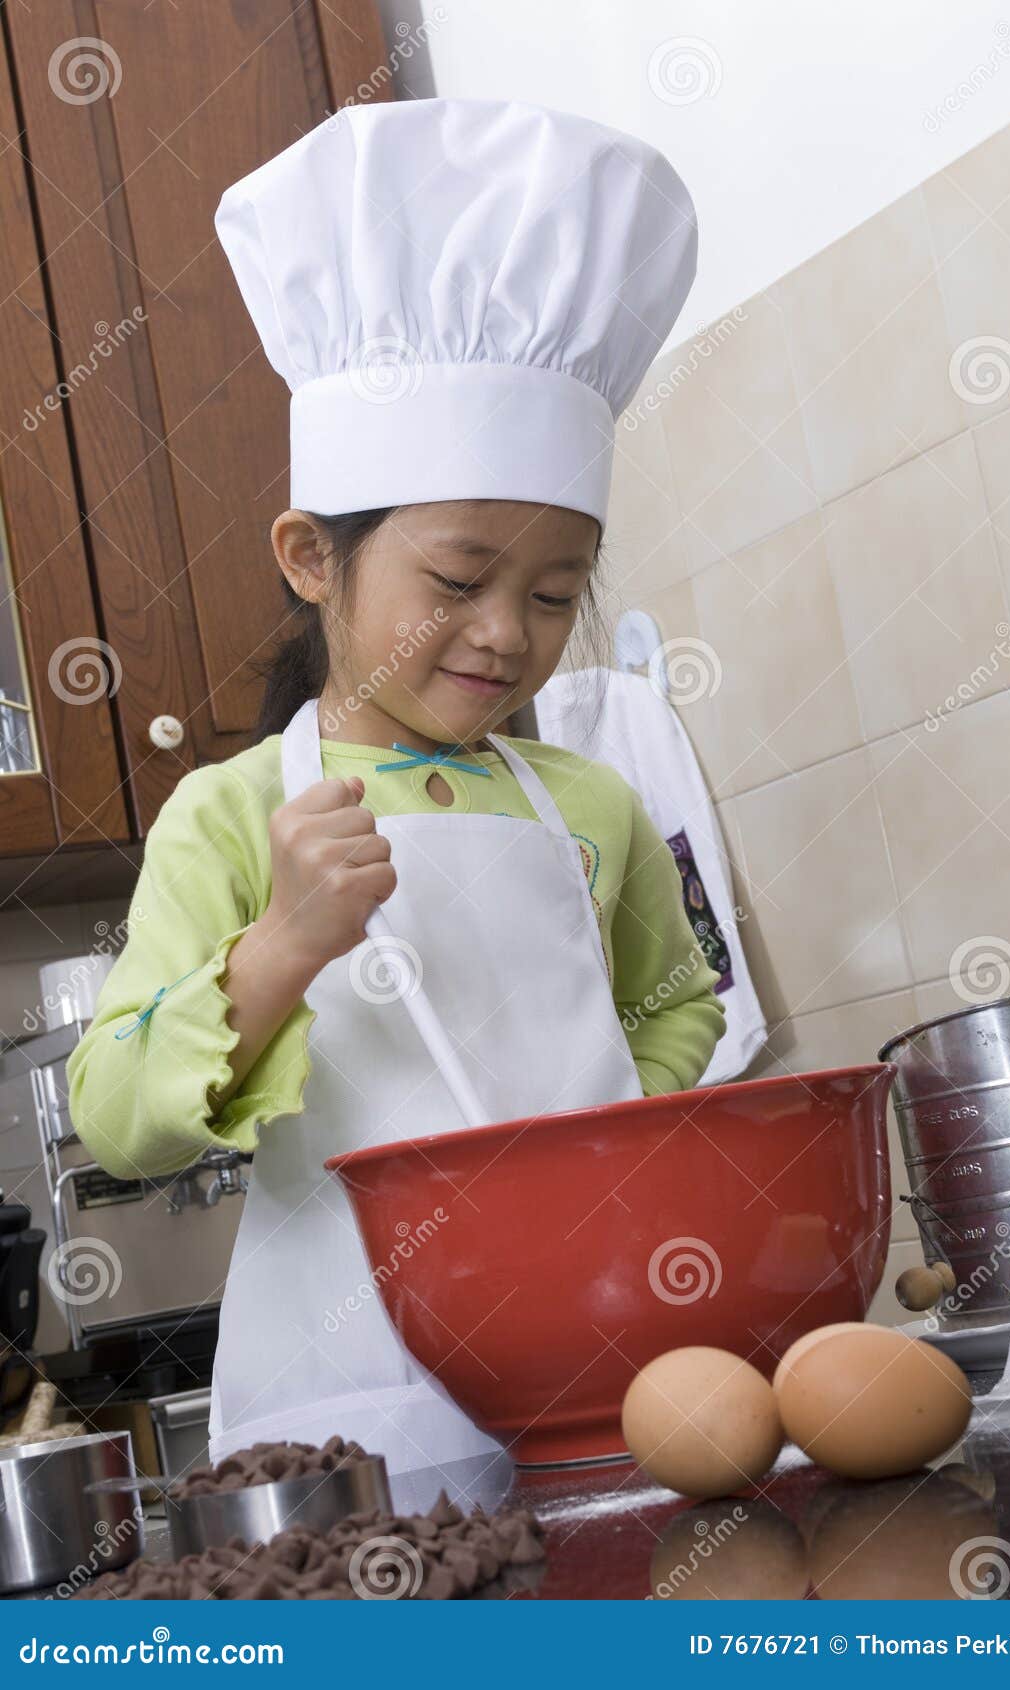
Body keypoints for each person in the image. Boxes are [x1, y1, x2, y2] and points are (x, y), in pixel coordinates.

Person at [67, 97, 726, 1472]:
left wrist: (606, 1142)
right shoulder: (234, 815)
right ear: (313, 558)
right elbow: (117, 1117)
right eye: (458, 579)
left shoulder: (590, 805)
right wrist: (282, 943)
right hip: (357, 1411)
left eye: (554, 593)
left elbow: (679, 1001)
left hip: (607, 1359)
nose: (505, 634)